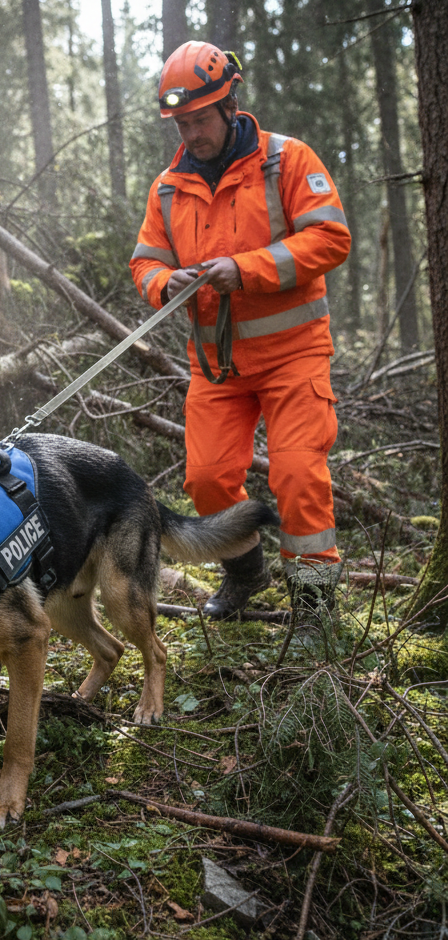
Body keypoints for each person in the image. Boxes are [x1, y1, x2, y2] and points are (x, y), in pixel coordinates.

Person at [129, 41, 351, 621]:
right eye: (181, 123)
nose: (191, 133)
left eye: (200, 119)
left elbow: (331, 238)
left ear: (230, 104)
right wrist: (166, 283)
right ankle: (246, 572)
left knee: (298, 474)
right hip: (217, 366)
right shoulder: (168, 188)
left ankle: (314, 605)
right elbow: (145, 262)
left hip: (293, 356)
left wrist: (246, 269)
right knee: (205, 480)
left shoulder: (287, 160)